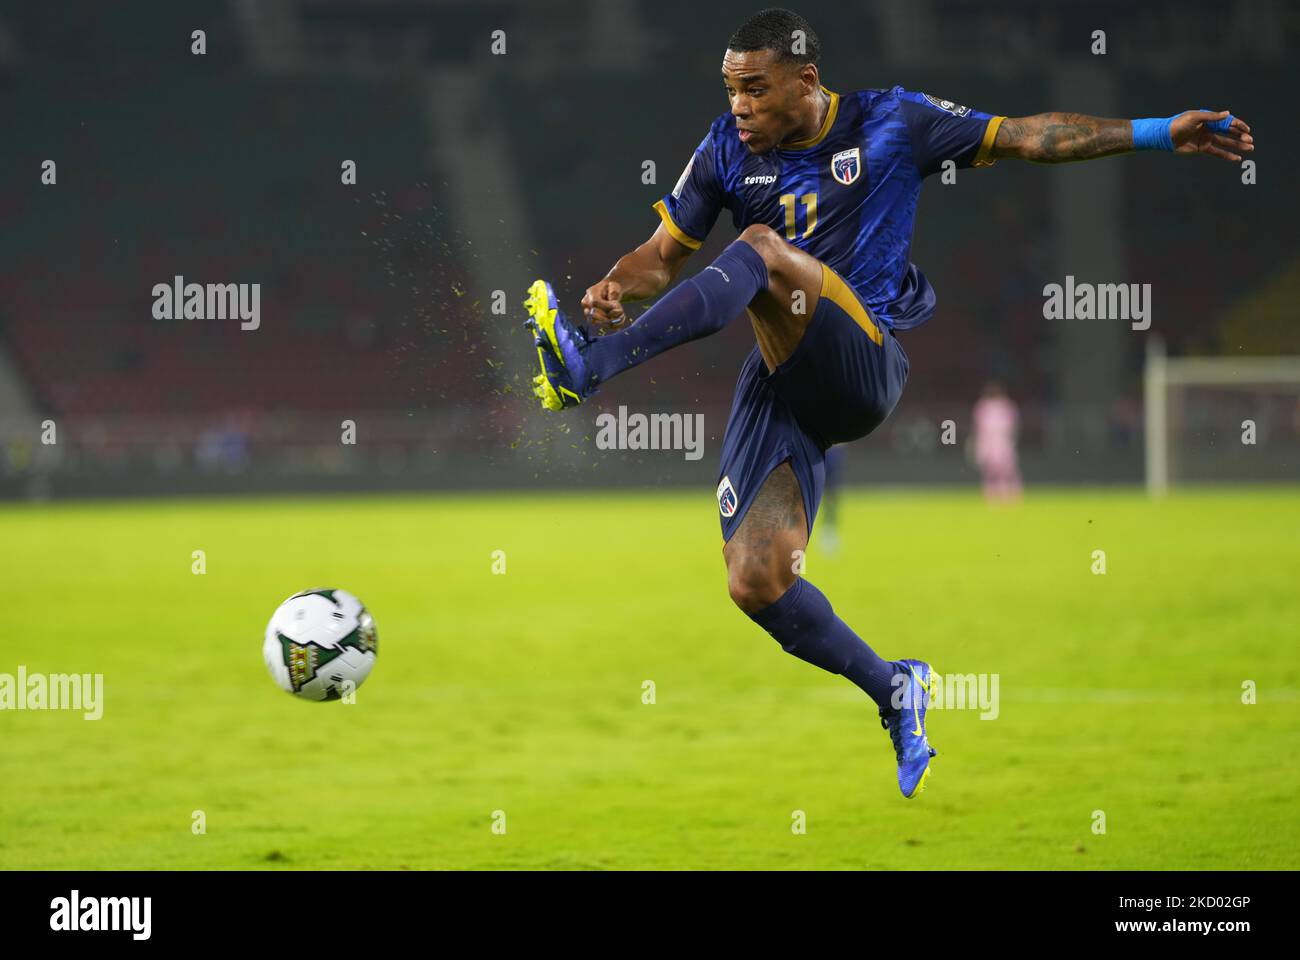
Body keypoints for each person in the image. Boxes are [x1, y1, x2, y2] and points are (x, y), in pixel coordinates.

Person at [522, 7, 1253, 798]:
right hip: (784, 385)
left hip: (863, 363)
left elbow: (1028, 136)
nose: (738, 106)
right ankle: (895, 688)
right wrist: (611, 286)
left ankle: (589, 369)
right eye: (731, 88)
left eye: (755, 89)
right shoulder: (725, 149)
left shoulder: (893, 122)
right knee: (755, 579)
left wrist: (1155, 132)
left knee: (762, 250)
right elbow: (662, 258)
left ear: (805, 81)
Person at [971, 382, 1022, 501]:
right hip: (989, 441)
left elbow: (1013, 425)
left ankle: (1010, 495)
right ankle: (993, 495)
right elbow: (978, 427)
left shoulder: (1006, 405)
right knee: (991, 470)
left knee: (1006, 470)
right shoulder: (983, 406)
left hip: (1002, 440)